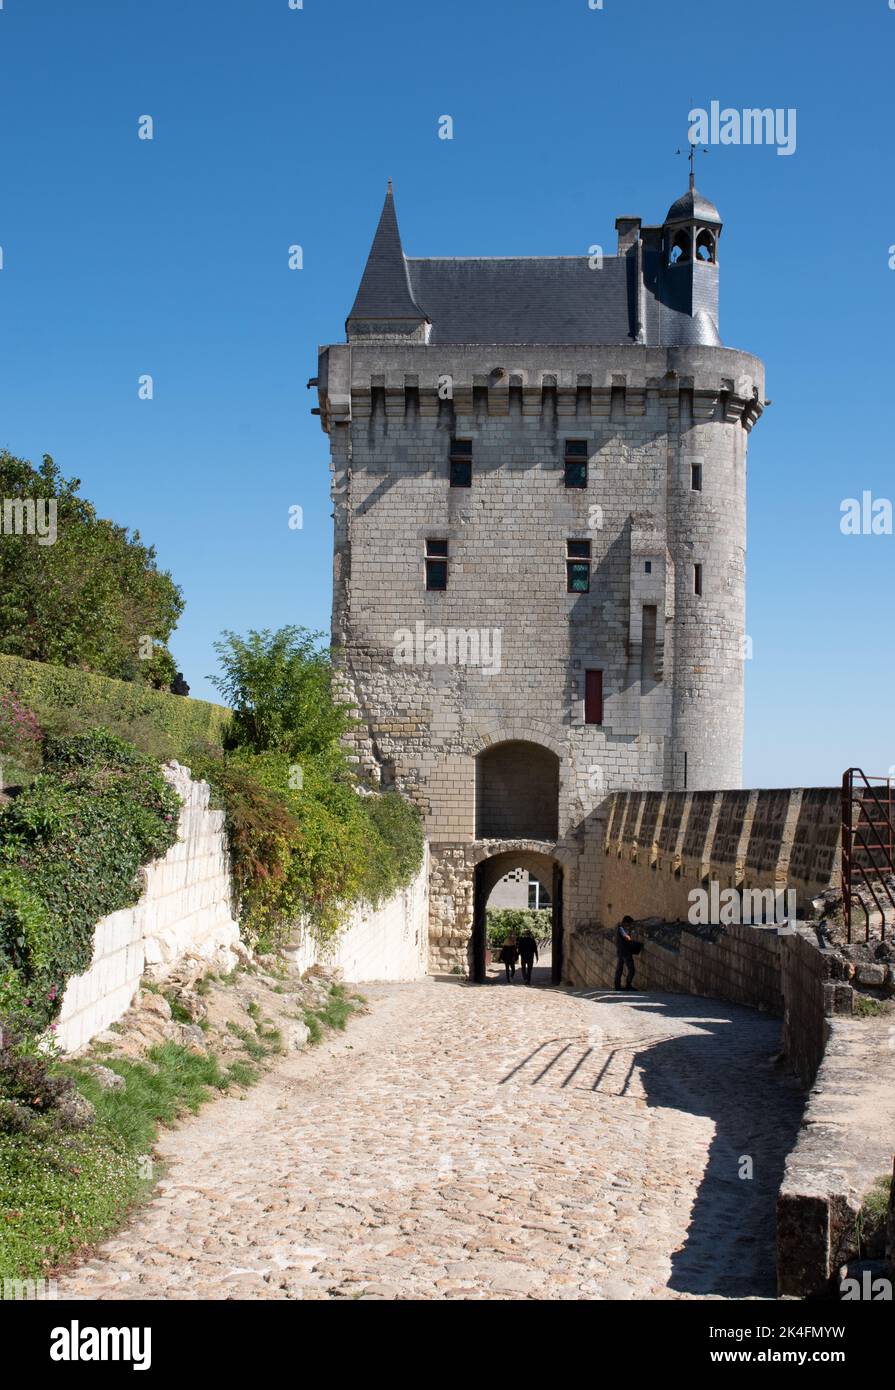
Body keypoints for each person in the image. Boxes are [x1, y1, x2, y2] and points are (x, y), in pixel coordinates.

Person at [614, 915, 638, 991]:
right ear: (626, 923)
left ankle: (617, 986)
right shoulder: (621, 928)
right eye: (629, 924)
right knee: (631, 969)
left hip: (620, 952)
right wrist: (631, 940)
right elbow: (627, 937)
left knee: (619, 969)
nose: (629, 926)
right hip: (625, 952)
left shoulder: (618, 928)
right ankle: (628, 985)